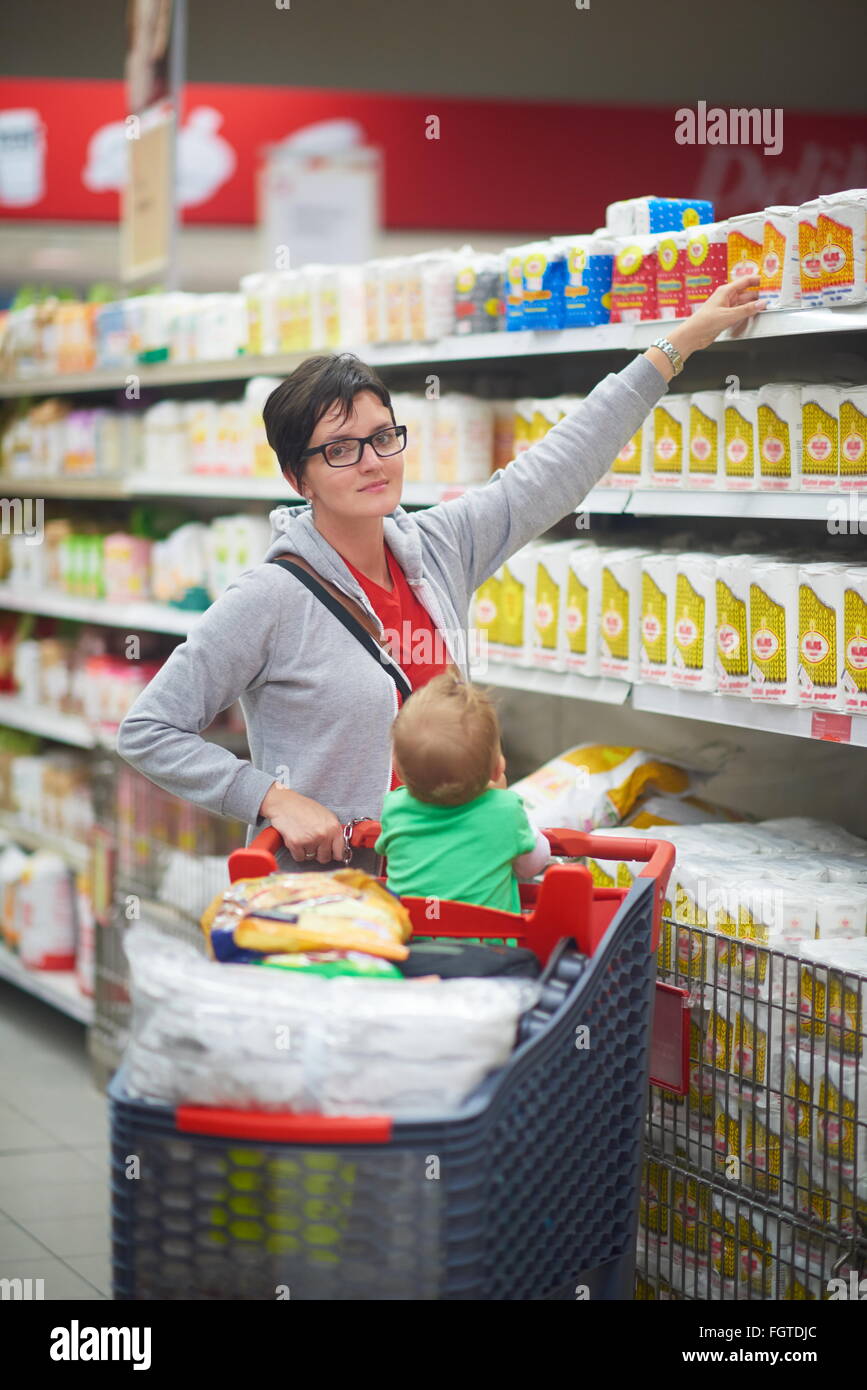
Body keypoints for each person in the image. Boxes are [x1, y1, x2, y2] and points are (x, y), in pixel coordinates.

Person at [116, 276, 765, 876]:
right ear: (297, 476)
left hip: (456, 883)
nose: (371, 462)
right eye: (340, 450)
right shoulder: (269, 599)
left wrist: (676, 345)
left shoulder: (438, 547)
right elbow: (149, 730)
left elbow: (555, 467)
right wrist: (270, 797)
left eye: (382, 437)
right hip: (337, 903)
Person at [374, 671, 551, 910]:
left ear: (398, 769)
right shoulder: (506, 809)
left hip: (415, 941)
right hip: (489, 945)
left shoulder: (394, 808)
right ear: (498, 768)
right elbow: (533, 863)